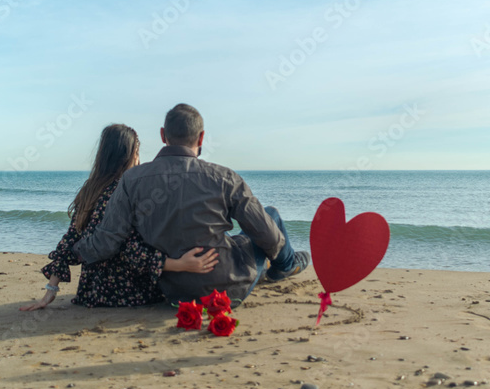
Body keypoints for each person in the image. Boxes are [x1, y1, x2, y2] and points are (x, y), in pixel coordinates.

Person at [72, 104, 309, 306]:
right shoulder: (224, 178)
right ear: (202, 137)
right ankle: (285, 266)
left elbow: (107, 242)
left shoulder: (131, 180)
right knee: (270, 216)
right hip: (226, 290)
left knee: (250, 231)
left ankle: (281, 264)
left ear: (163, 135)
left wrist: (71, 252)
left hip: (172, 292)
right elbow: (266, 233)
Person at [20, 124, 217, 311]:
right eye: (137, 152)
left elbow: (71, 238)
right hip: (134, 293)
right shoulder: (128, 190)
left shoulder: (91, 189)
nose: (139, 159)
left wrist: (51, 290)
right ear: (129, 155)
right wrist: (179, 264)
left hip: (91, 293)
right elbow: (128, 249)